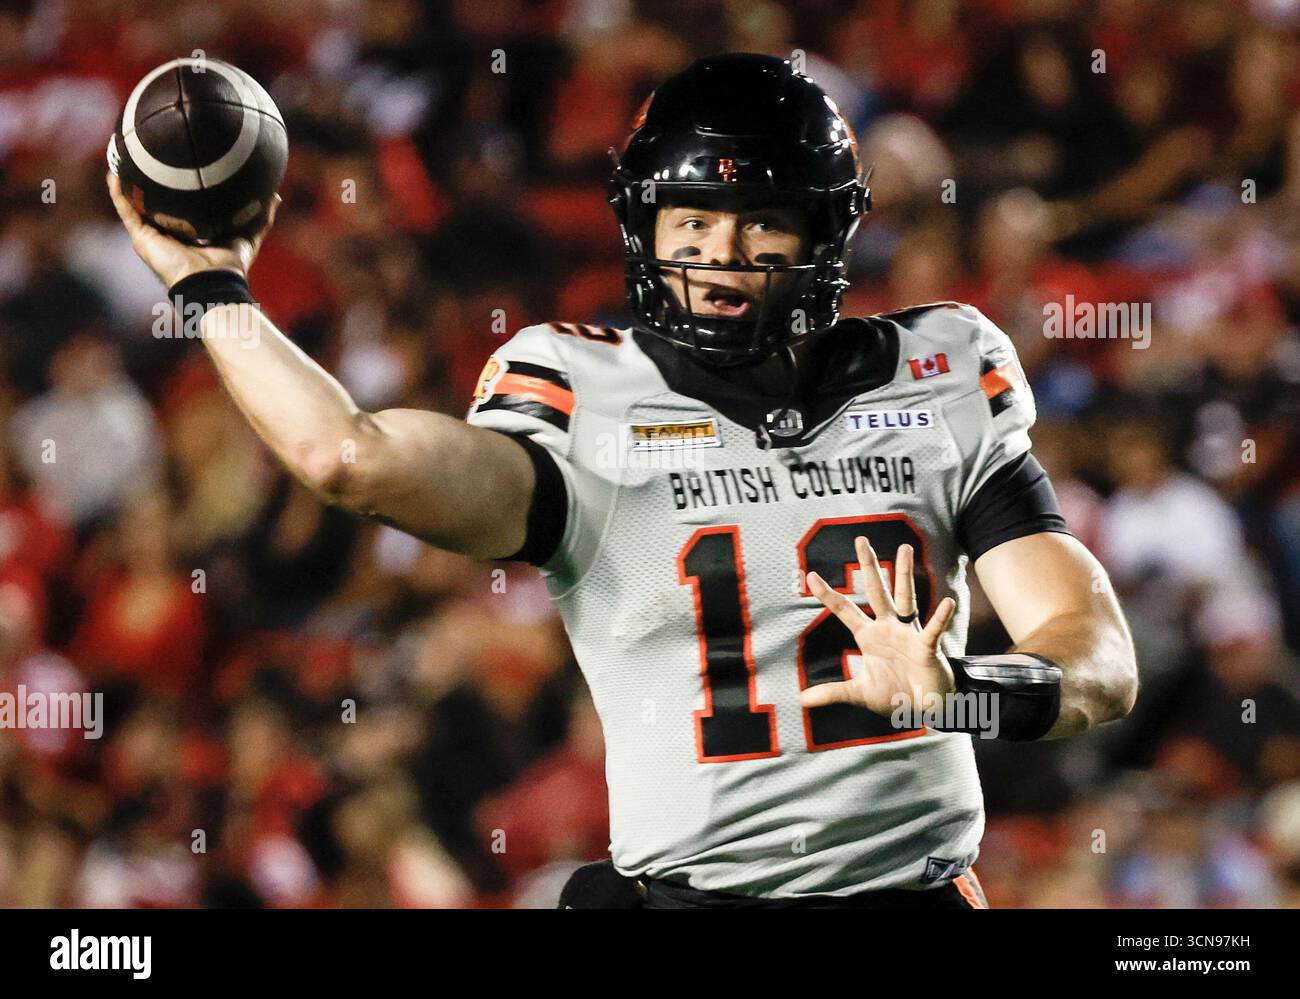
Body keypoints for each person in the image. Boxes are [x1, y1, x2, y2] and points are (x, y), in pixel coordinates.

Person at [108, 53, 1138, 909]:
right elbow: (349, 456)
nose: (718, 257)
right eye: (688, 223)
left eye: (757, 223)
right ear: (642, 229)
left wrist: (959, 693)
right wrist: (212, 287)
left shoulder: (939, 370)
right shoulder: (582, 394)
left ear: (826, 230)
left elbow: (1096, 659)